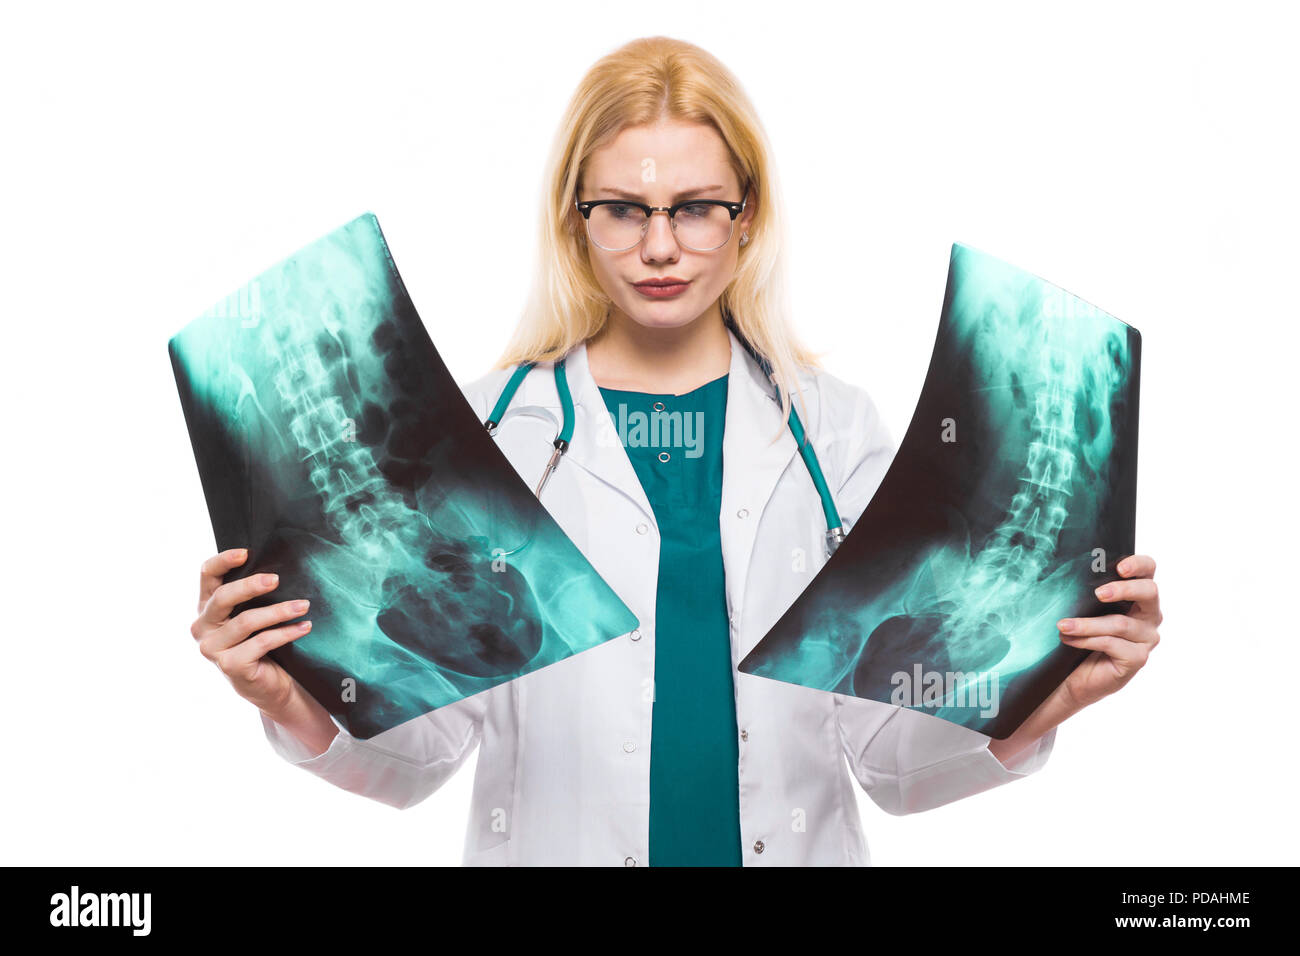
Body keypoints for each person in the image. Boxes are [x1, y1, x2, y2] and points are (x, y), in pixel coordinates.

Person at [188, 36, 1162, 866]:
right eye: (623, 208)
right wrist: (290, 696)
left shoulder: (833, 433)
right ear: (577, 222)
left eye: (696, 206)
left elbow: (888, 760)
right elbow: (421, 751)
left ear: (748, 220)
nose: (661, 246)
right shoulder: (491, 435)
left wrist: (1051, 694)